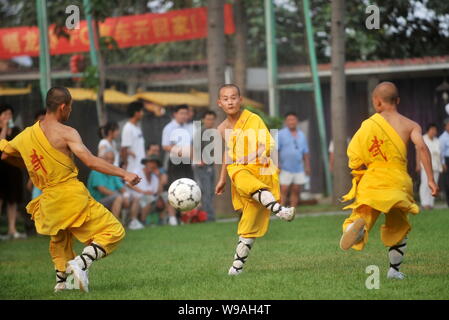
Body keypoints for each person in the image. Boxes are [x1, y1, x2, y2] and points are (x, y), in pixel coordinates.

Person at [0, 87, 140, 292]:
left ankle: (63, 282)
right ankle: (81, 263)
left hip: (49, 200)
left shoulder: (25, 135)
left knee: (61, 239)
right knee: (114, 231)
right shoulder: (67, 132)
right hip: (71, 195)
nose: (70, 112)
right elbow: (90, 161)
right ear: (63, 107)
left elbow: (5, 154)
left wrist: (30, 168)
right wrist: (124, 174)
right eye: (70, 108)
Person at [339, 82, 438, 280]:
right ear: (398, 101)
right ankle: (394, 270)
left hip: (373, 179)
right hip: (398, 182)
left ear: (376, 102)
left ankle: (358, 229)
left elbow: (355, 155)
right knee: (398, 225)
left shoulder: (369, 124)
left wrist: (360, 171)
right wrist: (431, 179)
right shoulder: (411, 125)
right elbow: (422, 148)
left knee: (363, 213)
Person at [214, 84, 296, 276]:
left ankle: (236, 268)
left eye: (234, 97)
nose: (230, 101)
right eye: (225, 98)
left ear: (240, 100)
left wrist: (249, 157)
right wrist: (222, 178)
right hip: (240, 172)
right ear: (220, 103)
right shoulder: (221, 128)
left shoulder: (253, 118)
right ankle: (279, 210)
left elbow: (266, 145)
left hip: (261, 171)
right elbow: (228, 154)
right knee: (238, 173)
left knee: (249, 223)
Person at [161, 104, 194, 226]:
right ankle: (172, 218)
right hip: (174, 162)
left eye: (186, 113)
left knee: (188, 188)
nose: (184, 116)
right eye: (181, 113)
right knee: (174, 189)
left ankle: (184, 217)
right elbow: (165, 146)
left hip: (187, 162)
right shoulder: (169, 127)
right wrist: (179, 151)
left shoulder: (187, 127)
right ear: (175, 114)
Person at [0, 104, 26, 240]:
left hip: (14, 170)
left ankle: (12, 229)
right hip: (1, 169)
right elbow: (1, 146)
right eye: (4, 114)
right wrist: (4, 128)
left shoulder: (16, 130)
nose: (7, 117)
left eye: (9, 114)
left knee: (12, 200)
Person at [278, 112, 311, 207]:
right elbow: (275, 150)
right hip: (285, 168)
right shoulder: (280, 134)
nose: (291, 122)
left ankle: (292, 211)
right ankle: (280, 210)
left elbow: (305, 152)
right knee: (284, 189)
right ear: (286, 122)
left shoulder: (302, 135)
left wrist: (307, 166)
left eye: (293, 119)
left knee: (296, 190)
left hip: (299, 168)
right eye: (289, 120)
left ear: (297, 121)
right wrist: (277, 164)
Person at [87, 151, 132, 220]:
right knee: (118, 197)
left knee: (134, 198)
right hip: (96, 202)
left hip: (110, 199)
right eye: (107, 159)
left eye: (112, 159)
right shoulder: (96, 171)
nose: (109, 161)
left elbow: (121, 187)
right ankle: (115, 225)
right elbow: (102, 189)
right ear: (102, 159)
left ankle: (132, 221)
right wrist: (120, 196)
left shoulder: (112, 172)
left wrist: (126, 196)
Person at [192, 110, 217, 221]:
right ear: (203, 119)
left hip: (210, 166)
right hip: (202, 167)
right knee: (206, 191)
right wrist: (199, 160)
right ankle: (209, 217)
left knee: (211, 191)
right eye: (208, 119)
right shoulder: (200, 132)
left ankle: (205, 215)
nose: (210, 121)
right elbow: (194, 148)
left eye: (212, 119)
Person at [128, 155, 164, 228]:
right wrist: (143, 192)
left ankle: (163, 220)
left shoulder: (155, 177)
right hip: (135, 197)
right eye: (151, 162)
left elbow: (158, 192)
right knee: (148, 198)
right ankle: (139, 221)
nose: (153, 165)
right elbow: (129, 183)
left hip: (149, 199)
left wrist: (159, 177)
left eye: (155, 164)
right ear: (146, 163)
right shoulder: (137, 171)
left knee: (165, 197)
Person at [417, 123, 442, 210]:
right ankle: (424, 203)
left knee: (434, 184)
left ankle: (431, 204)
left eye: (435, 130)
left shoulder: (437, 140)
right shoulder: (423, 138)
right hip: (425, 166)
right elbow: (419, 152)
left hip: (436, 165)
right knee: (425, 184)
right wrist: (418, 165)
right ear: (428, 130)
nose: (433, 131)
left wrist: (442, 164)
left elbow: (440, 154)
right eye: (432, 129)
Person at [26, 109, 47, 200]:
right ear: (35, 122)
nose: (43, 123)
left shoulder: (56, 137)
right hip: (38, 180)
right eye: (41, 120)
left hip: (53, 181)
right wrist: (31, 180)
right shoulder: (31, 138)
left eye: (45, 120)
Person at [121, 102, 146, 174]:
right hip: (132, 168)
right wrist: (126, 164)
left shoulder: (137, 127)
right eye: (141, 111)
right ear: (136, 113)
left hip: (140, 166)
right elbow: (123, 149)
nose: (142, 113)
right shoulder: (128, 128)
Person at [438, 118, 449, 207]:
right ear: (445, 127)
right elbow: (440, 152)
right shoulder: (442, 138)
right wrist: (442, 163)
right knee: (447, 182)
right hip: (446, 160)